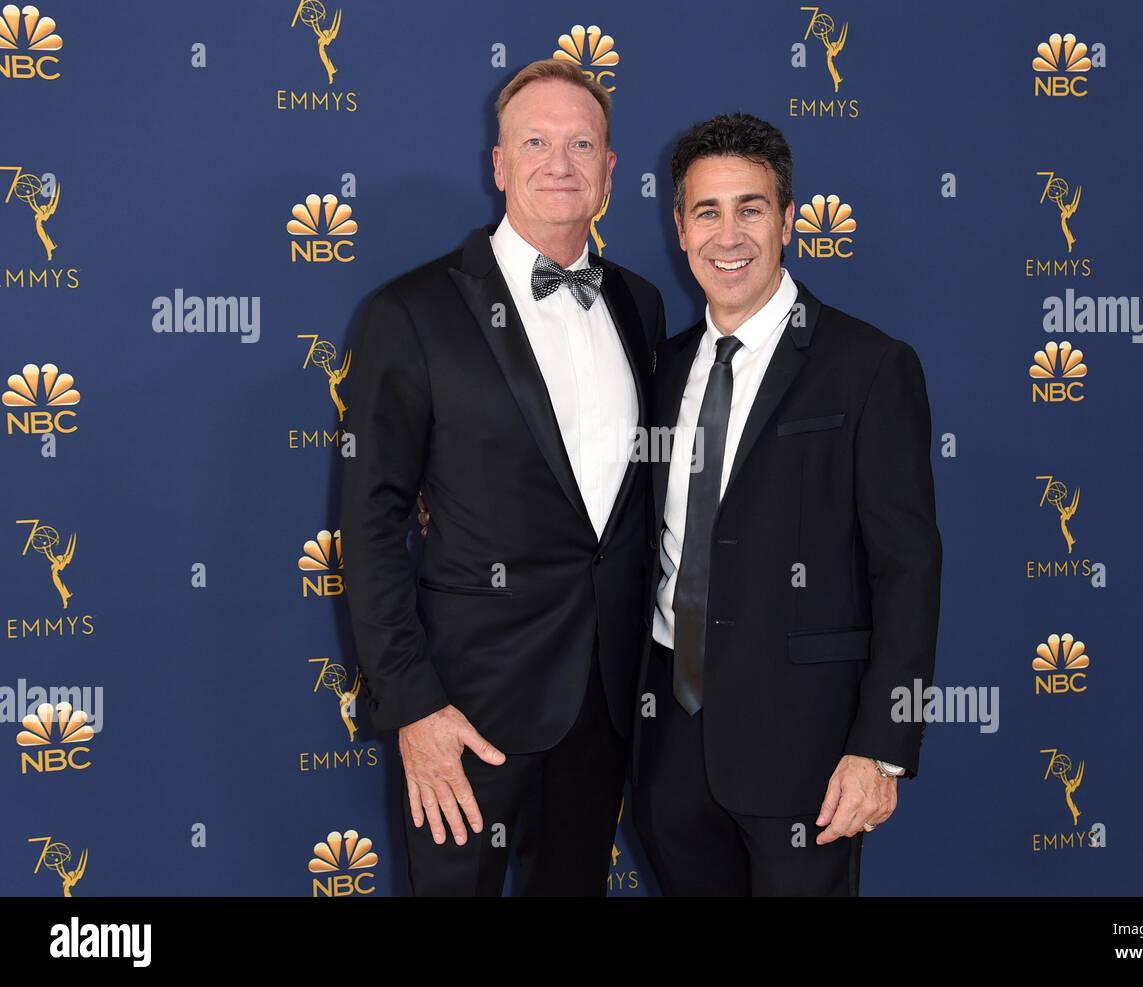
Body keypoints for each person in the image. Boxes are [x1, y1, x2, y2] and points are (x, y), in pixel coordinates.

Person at [341, 59, 664, 896]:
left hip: (604, 698)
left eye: (581, 143)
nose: (559, 162)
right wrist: (413, 704)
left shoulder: (641, 302)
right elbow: (370, 523)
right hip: (465, 707)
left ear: (609, 171)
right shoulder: (408, 314)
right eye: (536, 141)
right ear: (497, 164)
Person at [631, 113, 941, 896]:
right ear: (679, 226)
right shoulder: (658, 371)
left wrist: (881, 747)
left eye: (751, 208)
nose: (727, 235)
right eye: (707, 211)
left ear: (789, 221)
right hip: (670, 745)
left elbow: (908, 569)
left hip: (810, 753)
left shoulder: (868, 366)